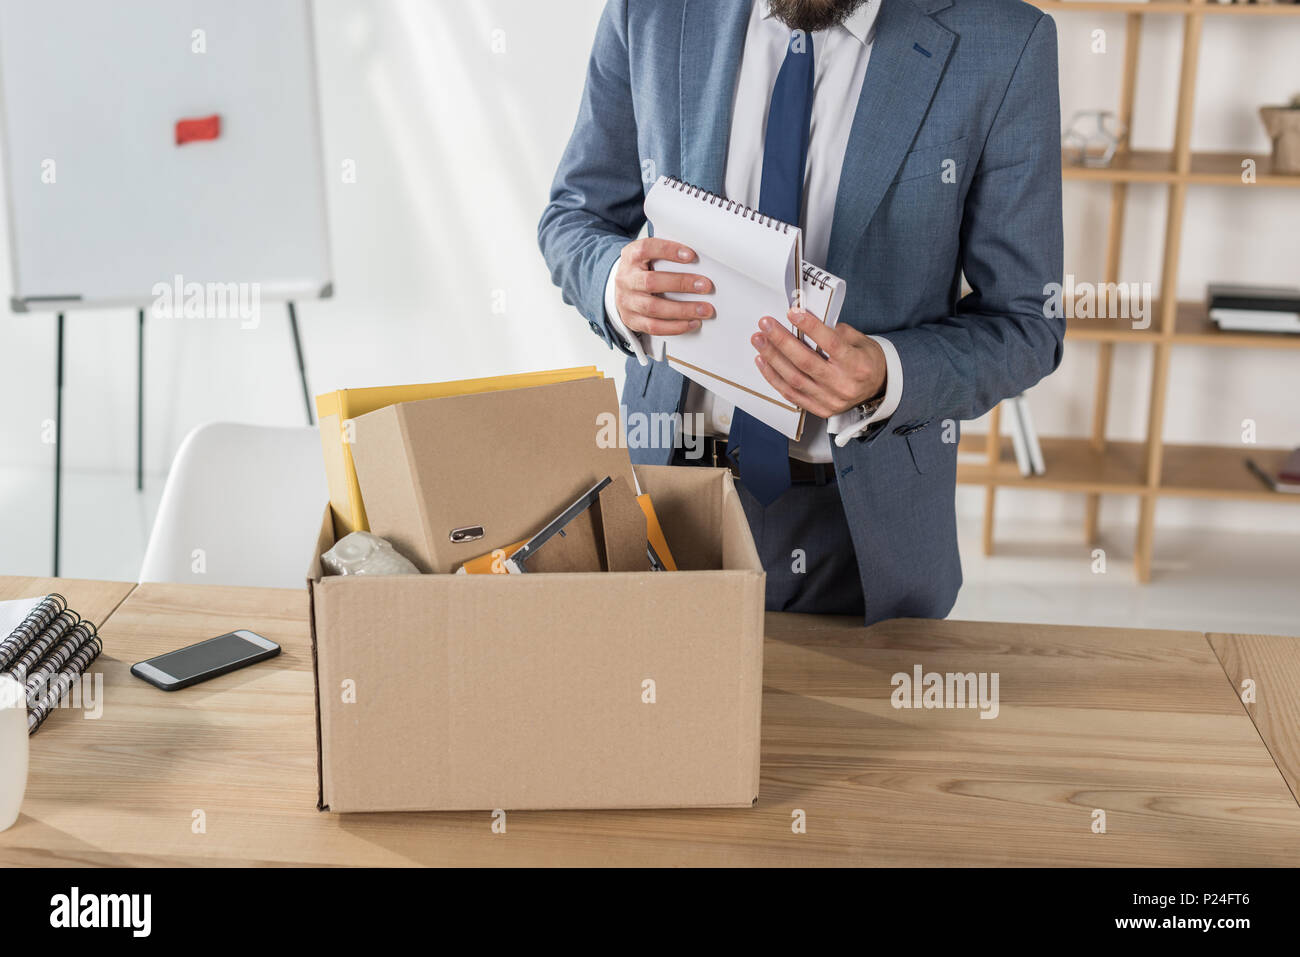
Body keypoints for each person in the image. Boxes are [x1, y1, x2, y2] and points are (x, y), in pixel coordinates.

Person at [539, 0, 1064, 623]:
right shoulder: (649, 11)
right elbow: (577, 216)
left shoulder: (1004, 43)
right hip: (661, 501)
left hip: (857, 532)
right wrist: (612, 285)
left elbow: (1028, 320)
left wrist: (887, 373)